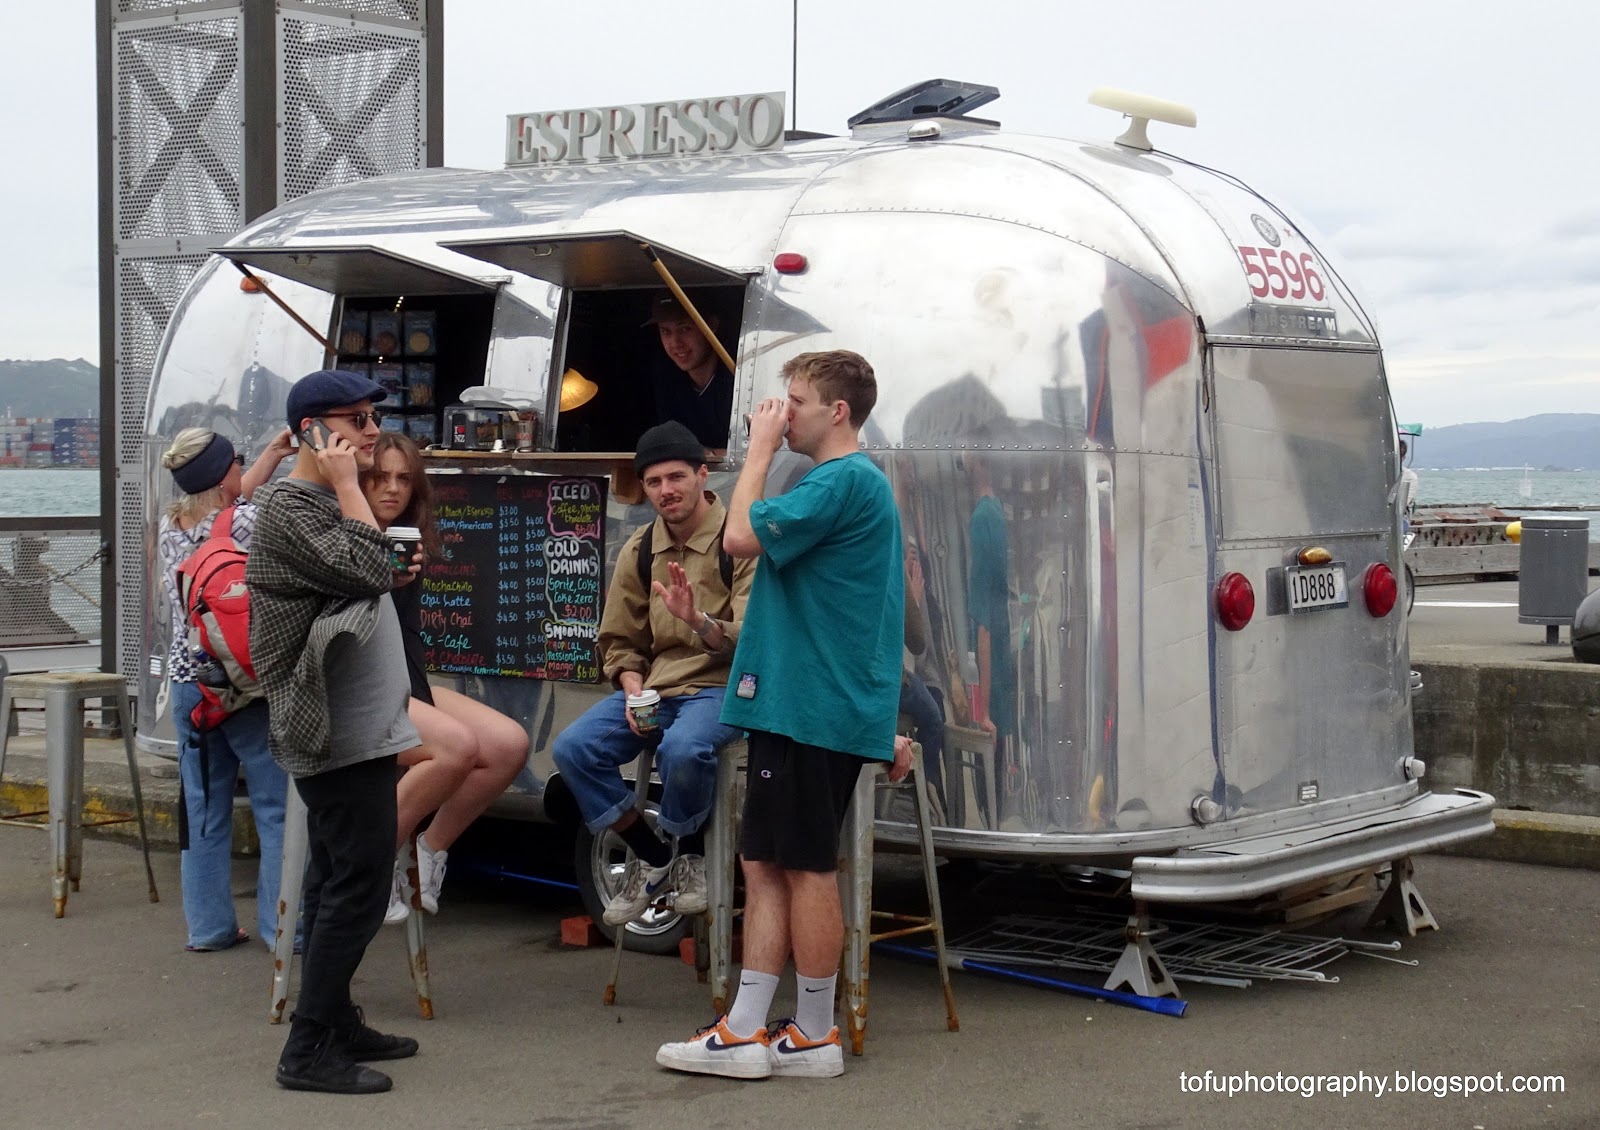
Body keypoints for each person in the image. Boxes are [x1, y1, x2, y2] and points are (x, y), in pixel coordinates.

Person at [655, 350, 911, 1081]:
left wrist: (757, 450)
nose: (780, 410)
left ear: (838, 411)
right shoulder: (850, 485)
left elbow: (738, 538)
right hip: (809, 703)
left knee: (798, 868)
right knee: (768, 862)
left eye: (793, 400)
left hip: (810, 706)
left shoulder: (842, 480)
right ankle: (767, 1029)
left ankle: (806, 1032)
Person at [248, 369, 422, 1095]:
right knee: (354, 883)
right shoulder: (294, 506)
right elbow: (363, 563)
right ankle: (308, 1049)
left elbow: (368, 571)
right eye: (356, 418)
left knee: (333, 878)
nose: (373, 431)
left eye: (374, 415)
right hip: (333, 730)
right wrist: (354, 488)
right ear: (314, 432)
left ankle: (334, 1017)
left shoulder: (316, 502)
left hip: (359, 725)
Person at [552, 421, 752, 925]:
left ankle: (692, 856)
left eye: (676, 477)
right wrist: (632, 685)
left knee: (683, 749)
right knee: (573, 749)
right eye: (654, 481)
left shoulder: (740, 541)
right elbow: (619, 639)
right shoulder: (640, 548)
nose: (666, 490)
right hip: (660, 689)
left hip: (722, 687)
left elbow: (757, 638)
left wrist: (698, 620)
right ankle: (655, 857)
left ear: (703, 475)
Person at [360, 432, 530, 923]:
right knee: (455, 747)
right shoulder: (348, 537)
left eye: (404, 479)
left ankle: (426, 852)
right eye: (380, 478)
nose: (392, 489)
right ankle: (375, 863)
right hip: (360, 692)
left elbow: (407, 639)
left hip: (405, 680)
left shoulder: (408, 539)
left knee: (509, 744)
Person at [157, 425, 295, 952]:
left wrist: (265, 459)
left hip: (190, 683)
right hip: (242, 683)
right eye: (235, 461)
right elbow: (242, 513)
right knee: (276, 806)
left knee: (203, 806)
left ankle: (209, 927)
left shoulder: (171, 526)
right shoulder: (251, 522)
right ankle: (283, 927)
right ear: (222, 473)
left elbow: (226, 506)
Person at [644, 294, 734, 449]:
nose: (675, 343)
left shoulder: (738, 374)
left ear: (712, 325)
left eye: (685, 328)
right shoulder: (666, 377)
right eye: (665, 331)